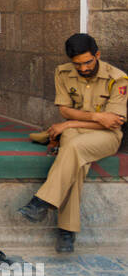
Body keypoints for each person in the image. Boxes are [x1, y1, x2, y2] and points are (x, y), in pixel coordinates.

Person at [18, 32, 127, 251]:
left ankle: (43, 201)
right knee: (75, 158)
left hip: (106, 136)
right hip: (78, 130)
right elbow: (65, 110)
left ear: (97, 54)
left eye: (88, 62)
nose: (84, 68)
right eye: (78, 65)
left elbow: (112, 123)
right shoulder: (63, 73)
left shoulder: (118, 79)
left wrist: (68, 124)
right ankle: (66, 232)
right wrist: (95, 116)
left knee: (72, 145)